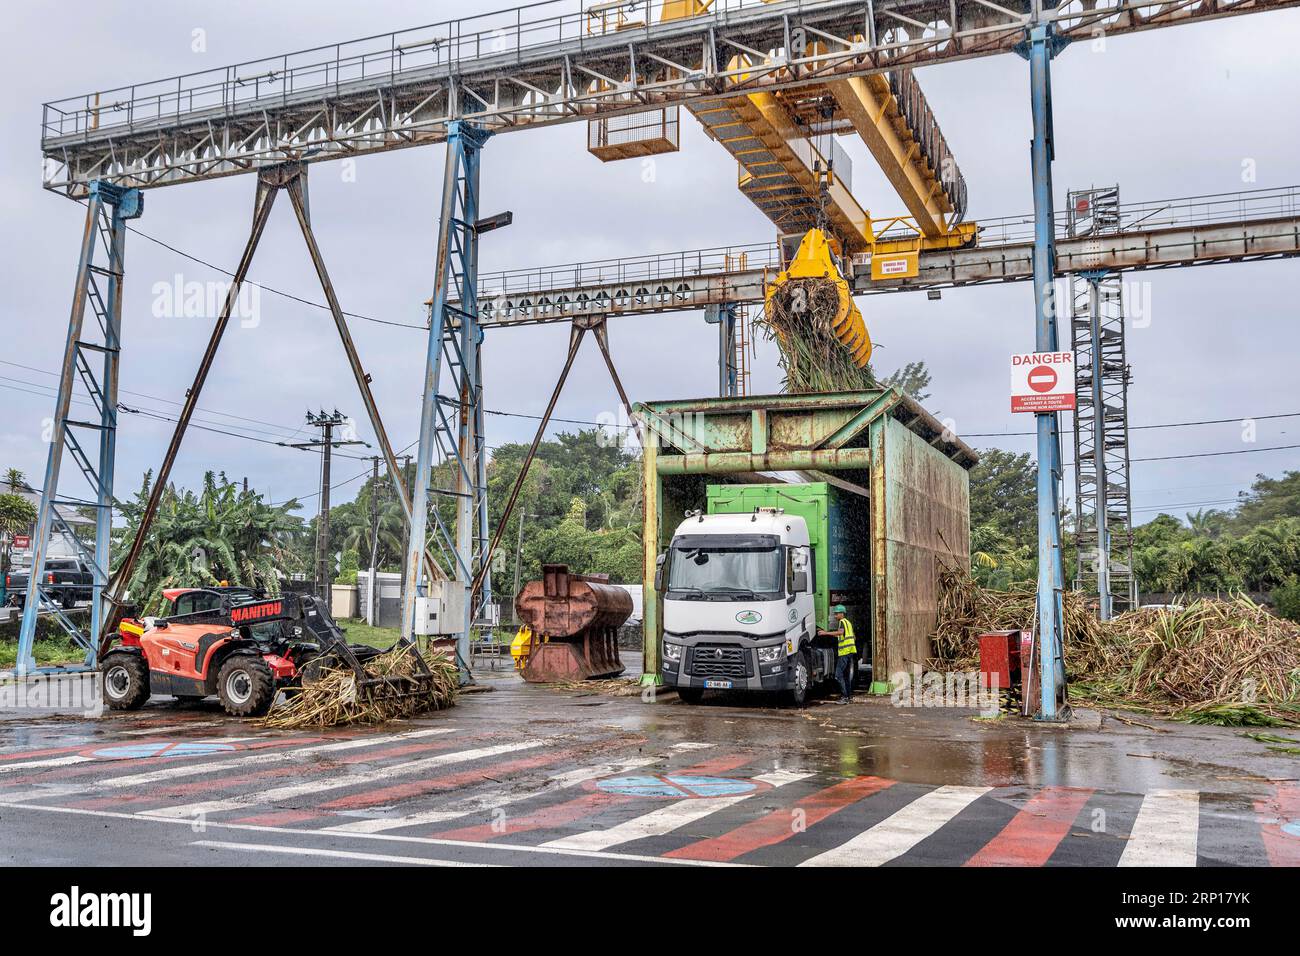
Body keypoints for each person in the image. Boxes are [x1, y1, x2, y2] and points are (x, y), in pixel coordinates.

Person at [818, 604, 856, 704]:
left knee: (838, 675)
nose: (835, 616)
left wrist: (825, 633)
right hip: (850, 652)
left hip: (844, 653)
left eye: (836, 614)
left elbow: (840, 633)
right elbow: (851, 636)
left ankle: (844, 697)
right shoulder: (848, 623)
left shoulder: (842, 622)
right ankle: (849, 697)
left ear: (842, 614)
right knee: (846, 675)